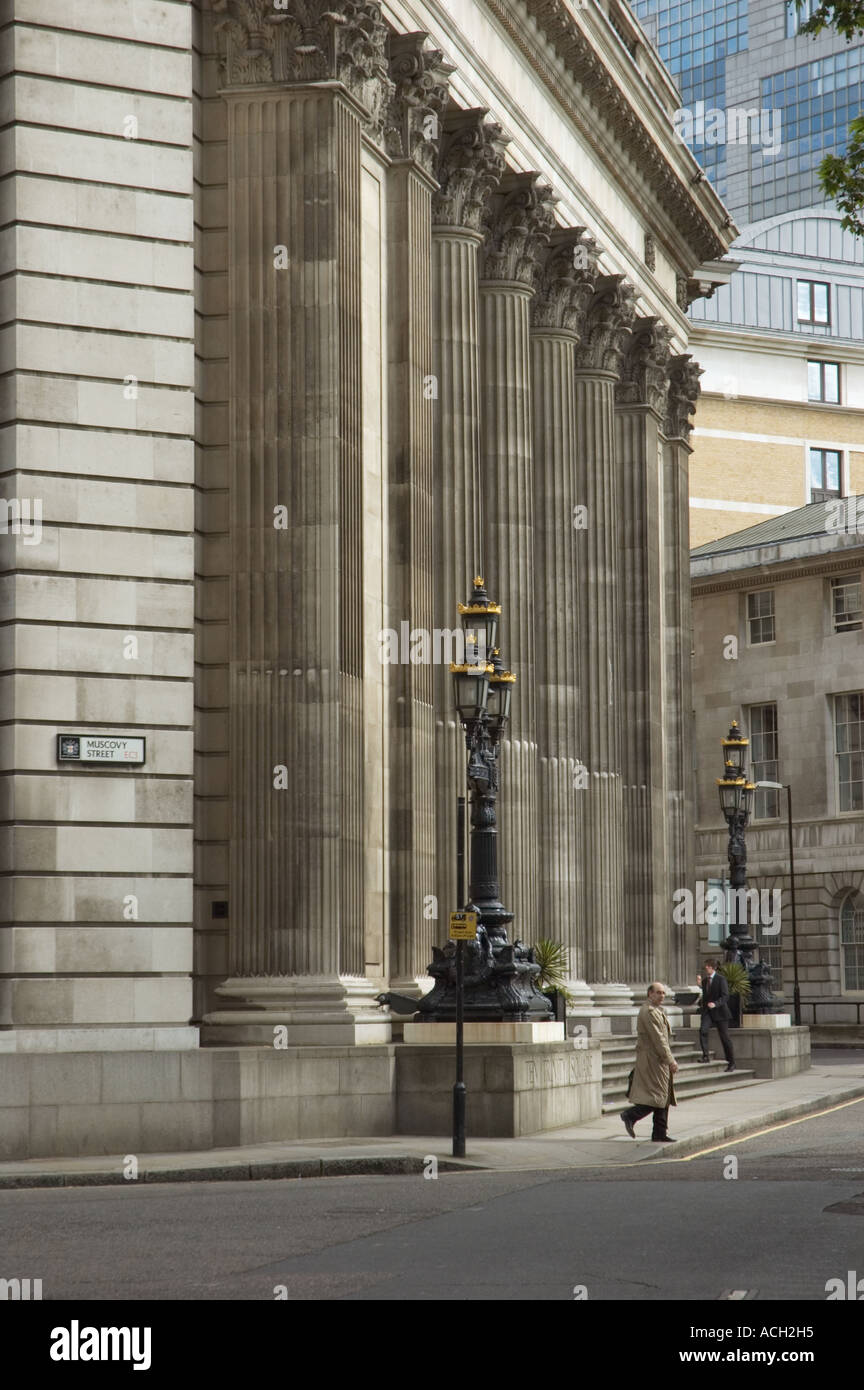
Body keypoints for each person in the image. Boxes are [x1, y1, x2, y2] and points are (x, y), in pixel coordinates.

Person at [620, 982, 679, 1143]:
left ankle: (659, 1132)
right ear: (650, 994)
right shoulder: (649, 1012)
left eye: (663, 993)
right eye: (658, 993)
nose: (662, 996)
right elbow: (658, 1039)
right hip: (653, 1060)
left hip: (658, 1059)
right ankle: (630, 1115)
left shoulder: (657, 1011)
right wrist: (670, 1060)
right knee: (657, 1097)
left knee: (663, 1095)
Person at [696, 958, 735, 1072]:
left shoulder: (721, 979)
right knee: (703, 1031)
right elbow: (706, 995)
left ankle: (731, 1062)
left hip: (720, 1012)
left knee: (725, 1038)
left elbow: (725, 996)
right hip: (708, 1011)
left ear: (712, 967)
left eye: (707, 966)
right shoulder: (704, 981)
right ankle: (705, 1056)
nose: (705, 968)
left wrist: (716, 1004)